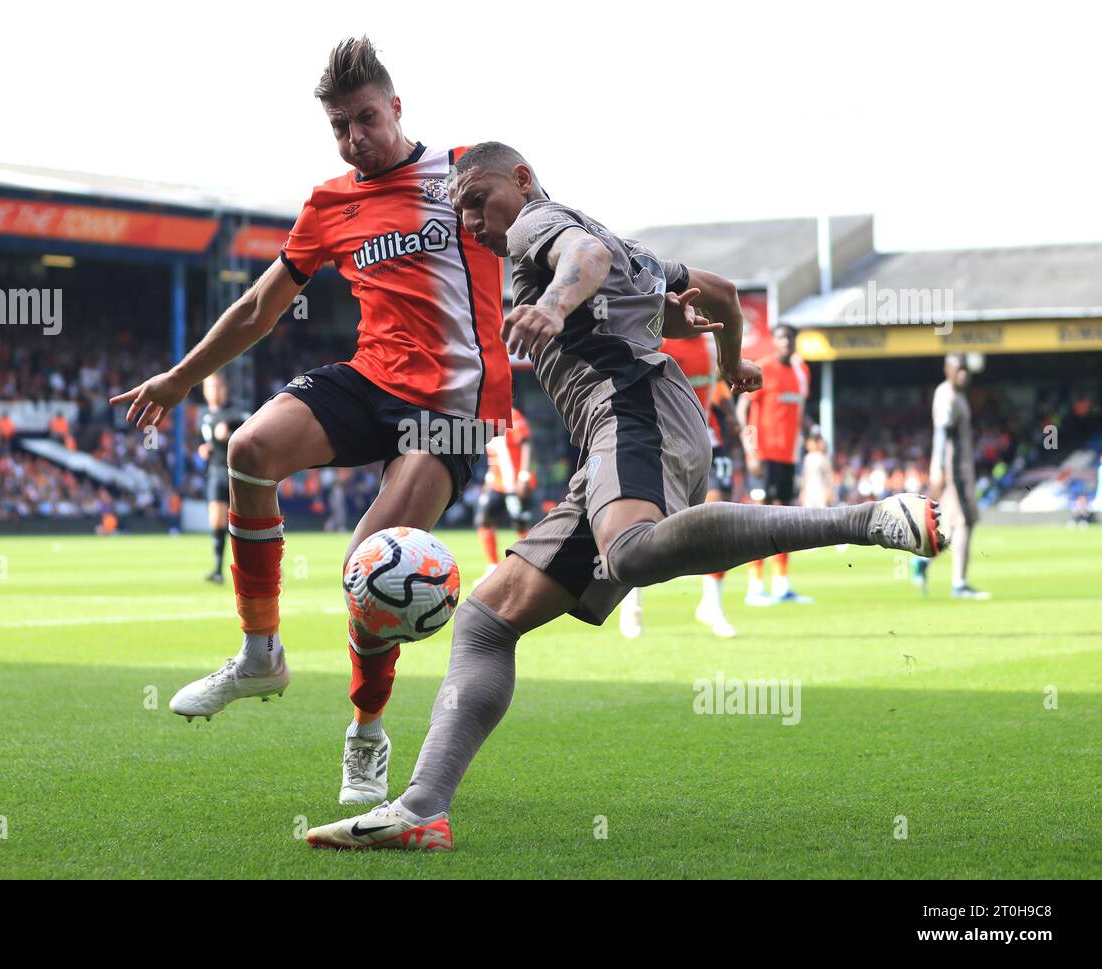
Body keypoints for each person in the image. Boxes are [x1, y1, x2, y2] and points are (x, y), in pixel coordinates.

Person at [305, 142, 946, 850]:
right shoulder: (622, 243)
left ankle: (868, 518)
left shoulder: (537, 226)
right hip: (627, 427)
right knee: (487, 618)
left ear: (519, 180)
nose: (471, 220)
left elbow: (584, 259)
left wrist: (550, 304)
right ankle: (423, 806)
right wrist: (732, 361)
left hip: (630, 409)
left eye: (477, 200)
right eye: (458, 211)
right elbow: (723, 295)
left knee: (632, 553)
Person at [110, 37, 511, 805]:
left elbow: (544, 238)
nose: (356, 137)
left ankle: (366, 732)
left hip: (452, 407)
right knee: (250, 447)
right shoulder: (331, 204)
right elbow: (260, 306)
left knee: (371, 571)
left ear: (397, 107)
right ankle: (260, 652)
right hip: (370, 377)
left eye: (366, 118)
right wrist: (179, 378)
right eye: (339, 126)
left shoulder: (467, 170)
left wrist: (613, 301)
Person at [620, 330, 742, 639]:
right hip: (667, 441)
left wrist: (733, 417)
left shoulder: (712, 343)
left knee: (717, 522)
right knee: (649, 524)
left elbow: (719, 391)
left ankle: (711, 605)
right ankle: (631, 599)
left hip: (707, 440)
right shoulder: (658, 343)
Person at [737, 323, 814, 605]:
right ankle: (755, 587)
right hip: (764, 455)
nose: (786, 343)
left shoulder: (801, 372)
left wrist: (813, 430)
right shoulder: (763, 368)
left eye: (790, 339)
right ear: (774, 341)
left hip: (788, 457)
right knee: (759, 520)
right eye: (781, 339)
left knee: (785, 521)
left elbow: (800, 412)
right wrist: (750, 451)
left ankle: (782, 585)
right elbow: (742, 408)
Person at [912, 354, 990, 598]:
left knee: (954, 526)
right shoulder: (947, 395)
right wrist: (938, 468)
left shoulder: (957, 394)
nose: (964, 374)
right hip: (954, 470)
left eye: (966, 369)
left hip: (962, 468)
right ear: (947, 370)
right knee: (965, 522)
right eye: (959, 369)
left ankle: (925, 561)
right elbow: (941, 433)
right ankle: (959, 584)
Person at [197, 373, 249, 583]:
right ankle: (218, 570)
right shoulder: (204, 415)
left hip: (237, 473)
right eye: (210, 387)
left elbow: (250, 423)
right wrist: (205, 449)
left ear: (224, 389)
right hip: (216, 471)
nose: (214, 392)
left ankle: (267, 567)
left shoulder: (235, 412)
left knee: (245, 522)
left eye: (217, 387)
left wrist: (229, 434)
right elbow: (209, 441)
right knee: (216, 521)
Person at [474, 404, 534, 586]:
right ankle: (492, 566)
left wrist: (524, 476)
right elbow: (494, 455)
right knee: (483, 519)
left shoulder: (512, 415)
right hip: (496, 483)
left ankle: (529, 568)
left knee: (520, 525)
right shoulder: (485, 421)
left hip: (514, 483)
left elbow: (526, 443)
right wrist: (488, 480)